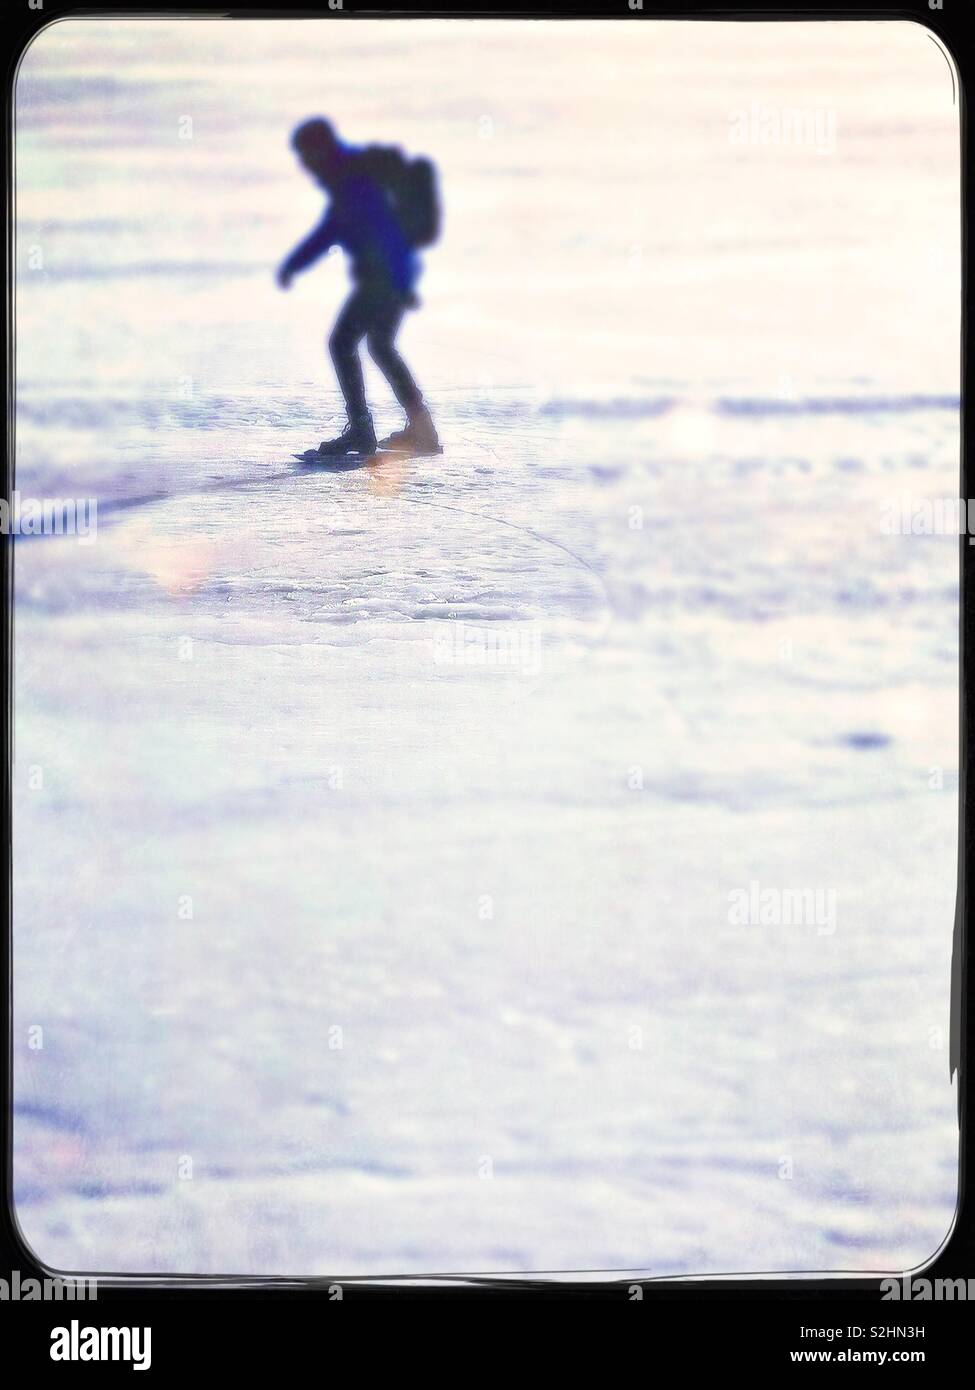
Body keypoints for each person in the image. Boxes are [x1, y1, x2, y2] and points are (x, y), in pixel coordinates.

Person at [277, 117, 441, 458]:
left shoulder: (352, 182)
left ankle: (363, 430)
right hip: (393, 276)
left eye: (305, 154)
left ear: (319, 149)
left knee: (343, 343)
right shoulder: (348, 178)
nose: (303, 163)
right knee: (379, 345)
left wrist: (396, 280)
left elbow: (369, 231)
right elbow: (332, 231)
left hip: (383, 279)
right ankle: (420, 428)